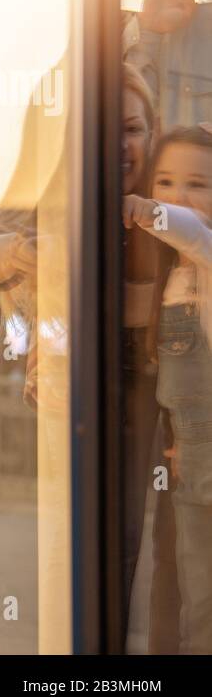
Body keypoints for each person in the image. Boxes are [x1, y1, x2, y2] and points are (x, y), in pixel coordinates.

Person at [126, 125, 212, 653]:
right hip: (189, 468)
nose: (179, 196)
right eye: (164, 181)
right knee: (194, 591)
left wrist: (140, 207)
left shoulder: (205, 257)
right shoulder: (171, 278)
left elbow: (194, 231)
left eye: (198, 184)